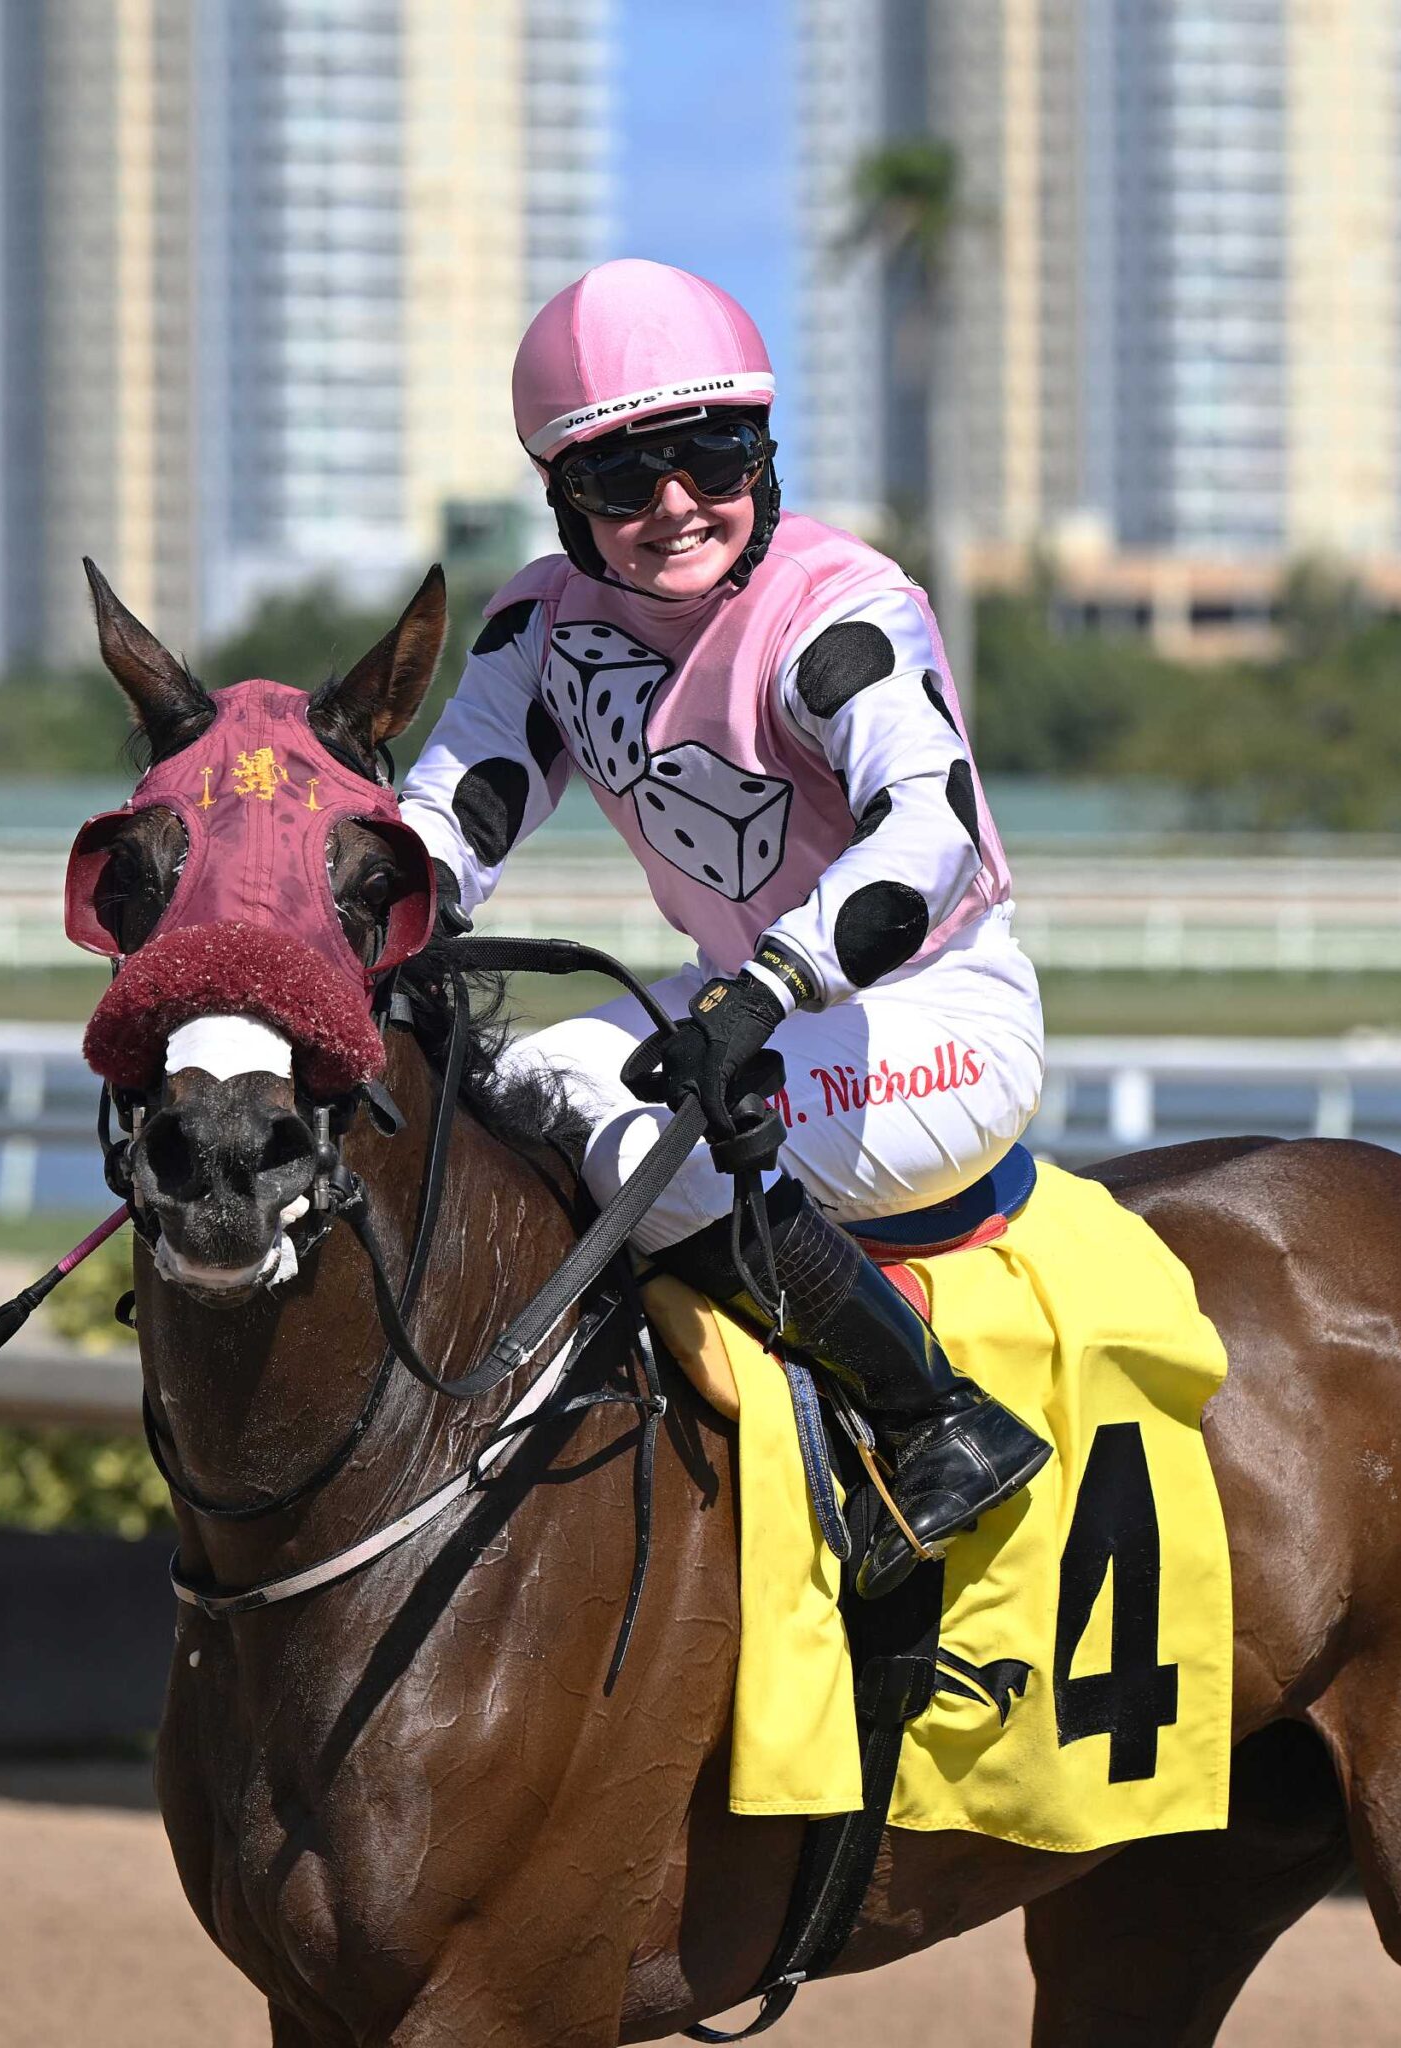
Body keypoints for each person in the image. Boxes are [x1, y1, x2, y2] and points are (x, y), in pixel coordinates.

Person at [399, 258, 1047, 1595]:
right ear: (561, 498)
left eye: (715, 455)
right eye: (622, 479)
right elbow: (457, 807)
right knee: (506, 1091)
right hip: (740, 1007)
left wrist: (769, 986)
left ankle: (935, 1419)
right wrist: (361, 925)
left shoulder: (837, 604)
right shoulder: (539, 620)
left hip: (930, 1019)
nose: (678, 504)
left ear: (766, 448)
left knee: (616, 1121)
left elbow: (930, 823)